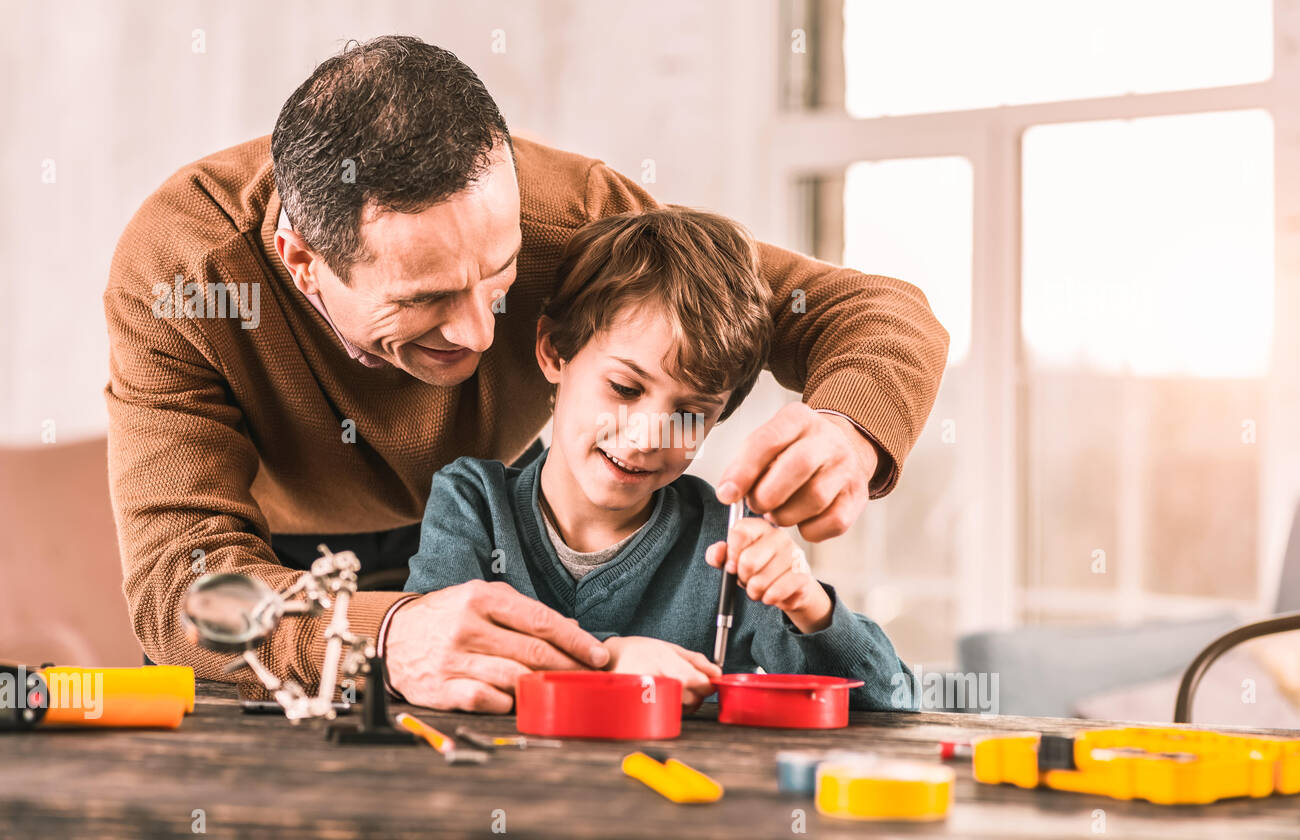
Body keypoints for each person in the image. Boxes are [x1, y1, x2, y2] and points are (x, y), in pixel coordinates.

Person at [104, 36, 947, 712]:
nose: (477, 333)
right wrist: (385, 632)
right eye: (429, 296)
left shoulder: (573, 215)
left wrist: (847, 426)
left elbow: (873, 311)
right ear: (300, 259)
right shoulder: (182, 272)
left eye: (503, 275)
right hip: (279, 566)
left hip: (474, 527)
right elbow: (187, 585)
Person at [403, 208, 915, 712]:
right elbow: (438, 661)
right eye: (625, 388)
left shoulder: (728, 540)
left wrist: (809, 606)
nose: (648, 437)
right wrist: (608, 663)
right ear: (554, 353)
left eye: (690, 412)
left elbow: (894, 701)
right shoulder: (471, 502)